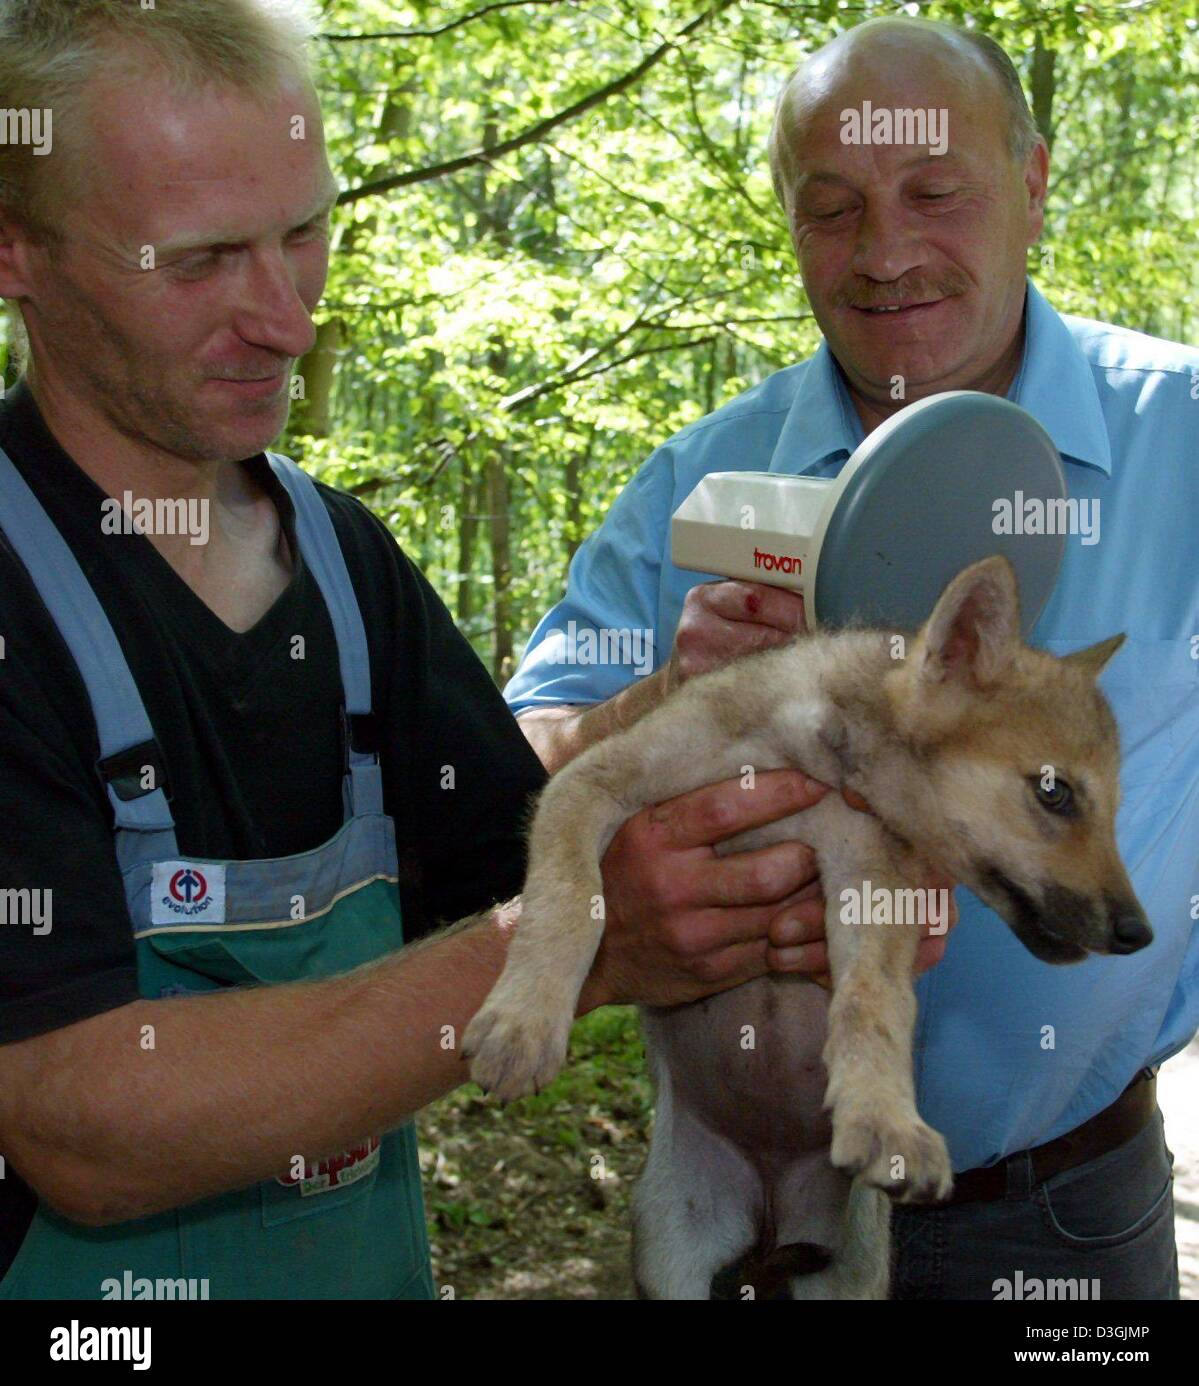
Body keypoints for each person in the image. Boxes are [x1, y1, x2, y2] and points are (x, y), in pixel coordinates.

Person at [0, 0, 933, 1300]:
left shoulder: (337, 558)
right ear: (16, 251)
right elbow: (77, 1120)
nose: (286, 318)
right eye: (201, 260)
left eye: (305, 233)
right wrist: (588, 943)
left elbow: (501, 816)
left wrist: (691, 705)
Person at [506, 16, 1199, 1299]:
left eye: (935, 193)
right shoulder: (705, 483)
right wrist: (662, 697)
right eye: (832, 209)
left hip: (1067, 1215)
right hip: (731, 1187)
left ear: (1032, 185)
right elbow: (517, 760)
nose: (885, 254)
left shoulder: (1184, 445)